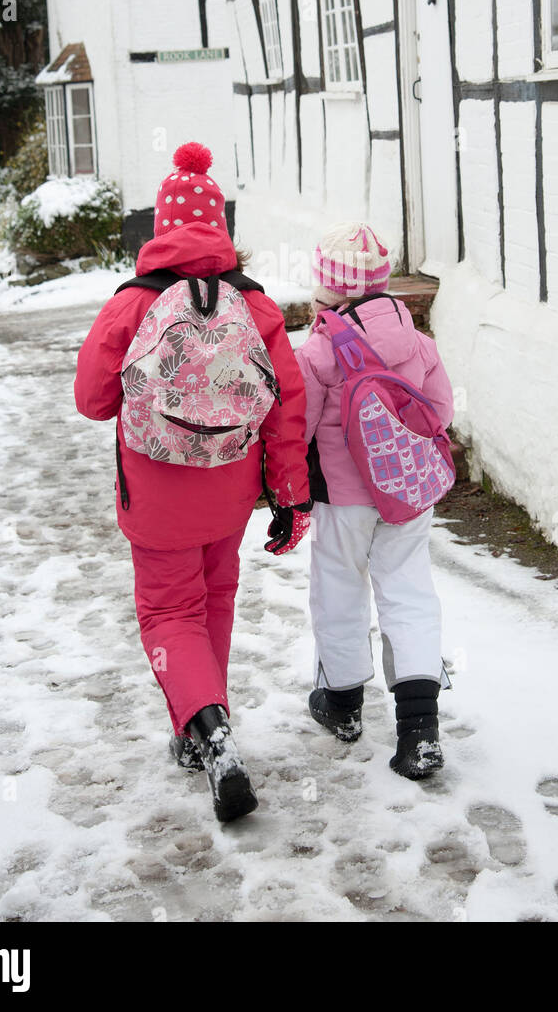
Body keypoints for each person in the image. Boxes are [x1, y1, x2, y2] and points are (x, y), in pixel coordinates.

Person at [74, 143, 311, 822]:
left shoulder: (134, 303)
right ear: (219, 227)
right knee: (214, 598)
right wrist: (290, 496)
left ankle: (207, 731)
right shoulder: (255, 305)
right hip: (229, 490)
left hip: (154, 494)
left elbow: (92, 400)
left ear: (160, 229)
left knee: (168, 611)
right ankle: (205, 722)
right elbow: (285, 406)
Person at [295, 222, 454, 779]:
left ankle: (341, 705)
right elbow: (441, 412)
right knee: (408, 592)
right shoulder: (417, 341)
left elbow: (299, 428)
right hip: (407, 493)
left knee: (338, 589)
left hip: (342, 500)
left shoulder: (317, 351)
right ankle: (419, 731)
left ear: (331, 290)